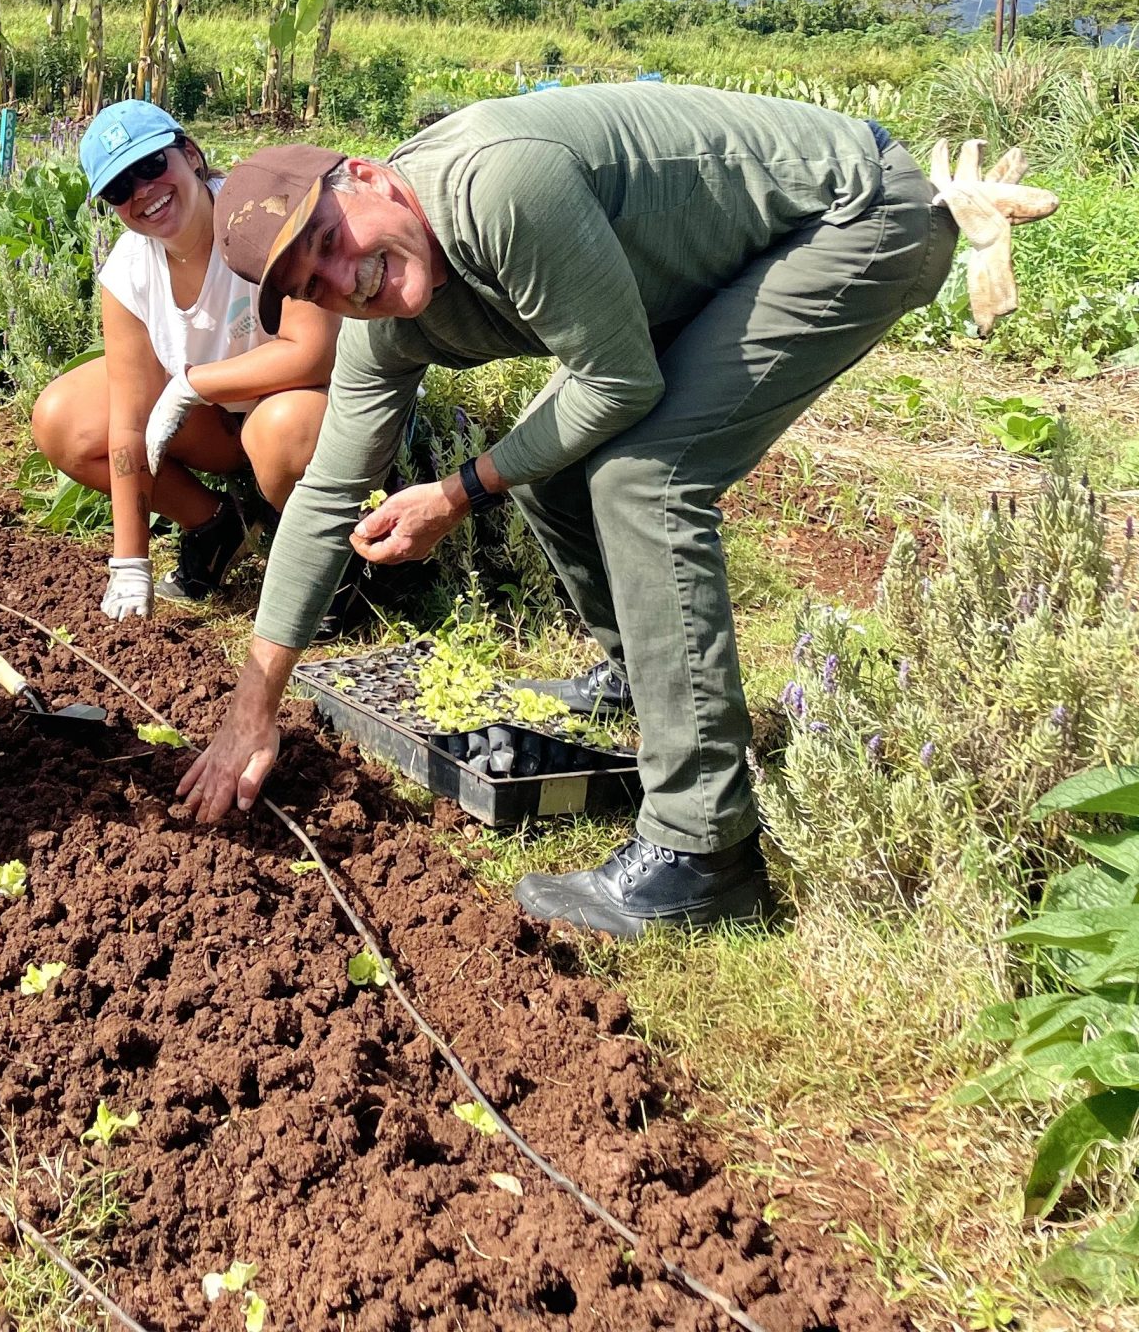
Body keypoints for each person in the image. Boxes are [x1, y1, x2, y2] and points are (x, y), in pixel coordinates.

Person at [172, 86, 990, 937]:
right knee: (549, 470)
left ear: (370, 179)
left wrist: (457, 493)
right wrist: (252, 706)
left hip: (854, 212)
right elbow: (325, 495)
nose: (350, 280)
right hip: (719, 262)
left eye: (332, 241)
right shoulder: (380, 326)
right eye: (318, 285)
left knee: (646, 479)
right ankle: (644, 678)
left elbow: (618, 382)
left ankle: (703, 851)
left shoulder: (501, 188)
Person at [31, 99, 334, 618]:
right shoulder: (129, 272)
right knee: (63, 420)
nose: (142, 192)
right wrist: (130, 563)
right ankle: (216, 526)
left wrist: (193, 384)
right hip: (227, 425)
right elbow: (127, 426)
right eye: (119, 187)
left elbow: (314, 354)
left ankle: (335, 562)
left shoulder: (257, 218)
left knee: (279, 429)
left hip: (315, 408)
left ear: (190, 153)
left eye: (151, 166)